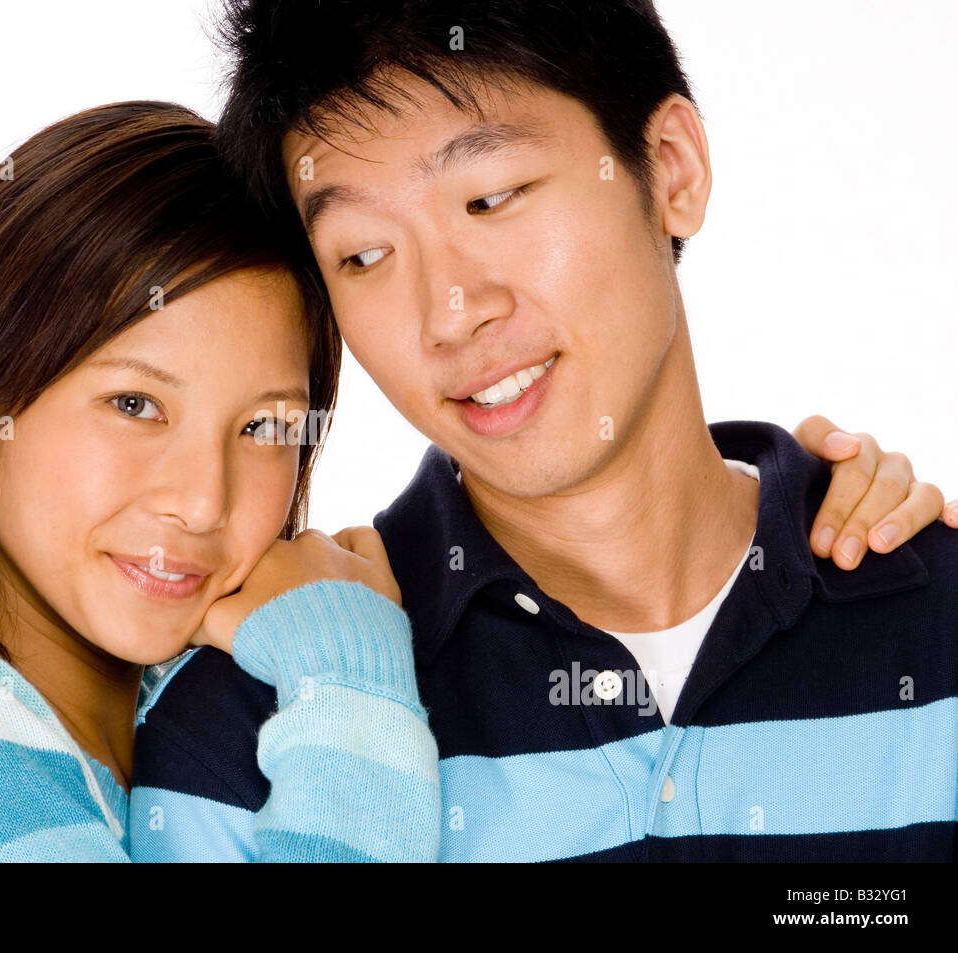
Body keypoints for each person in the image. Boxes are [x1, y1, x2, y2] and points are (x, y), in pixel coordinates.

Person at [129, 0, 958, 861]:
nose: (451, 317)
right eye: (364, 256)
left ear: (671, 170)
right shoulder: (258, 720)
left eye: (491, 199)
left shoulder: (935, 620)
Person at [0, 102, 441, 862]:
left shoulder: (196, 718)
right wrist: (350, 683)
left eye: (265, 427)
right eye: (135, 405)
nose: (203, 499)